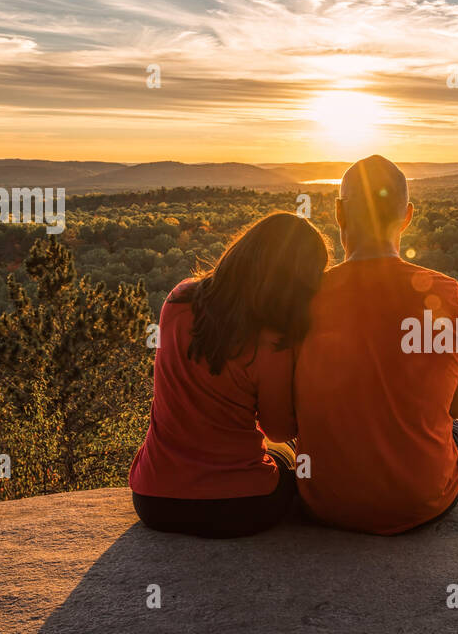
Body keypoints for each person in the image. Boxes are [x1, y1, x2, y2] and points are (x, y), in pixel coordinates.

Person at [294, 155, 458, 534]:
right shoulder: (448, 295)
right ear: (408, 216)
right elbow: (457, 408)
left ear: (338, 214)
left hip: (325, 500)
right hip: (422, 502)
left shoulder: (305, 297)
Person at [129, 212, 328, 537]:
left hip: (154, 500)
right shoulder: (272, 339)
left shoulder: (178, 300)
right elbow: (278, 430)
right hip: (239, 506)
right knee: (287, 456)